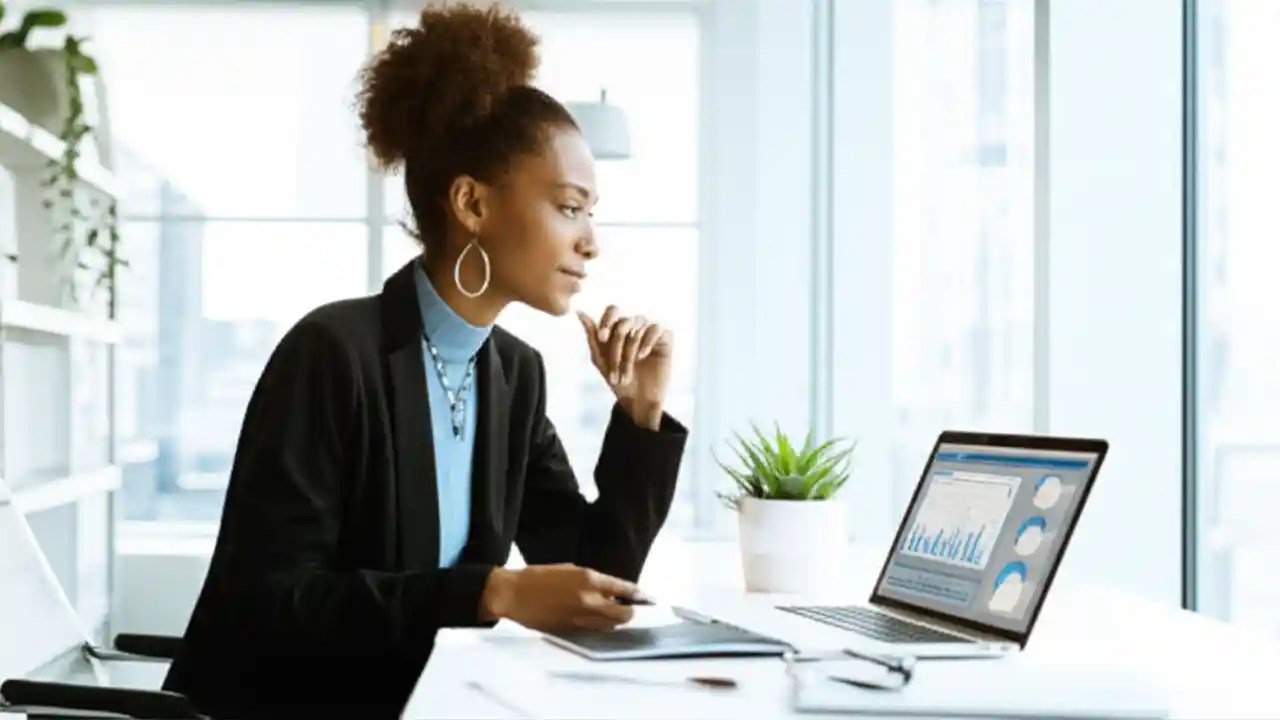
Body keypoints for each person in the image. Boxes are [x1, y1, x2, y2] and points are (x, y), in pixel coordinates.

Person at [161, 4, 688, 717]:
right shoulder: (333, 354)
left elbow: (596, 581)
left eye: (592, 213)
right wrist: (490, 591)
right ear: (471, 202)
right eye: (570, 207)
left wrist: (641, 413)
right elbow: (271, 603)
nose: (590, 240)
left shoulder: (513, 375)